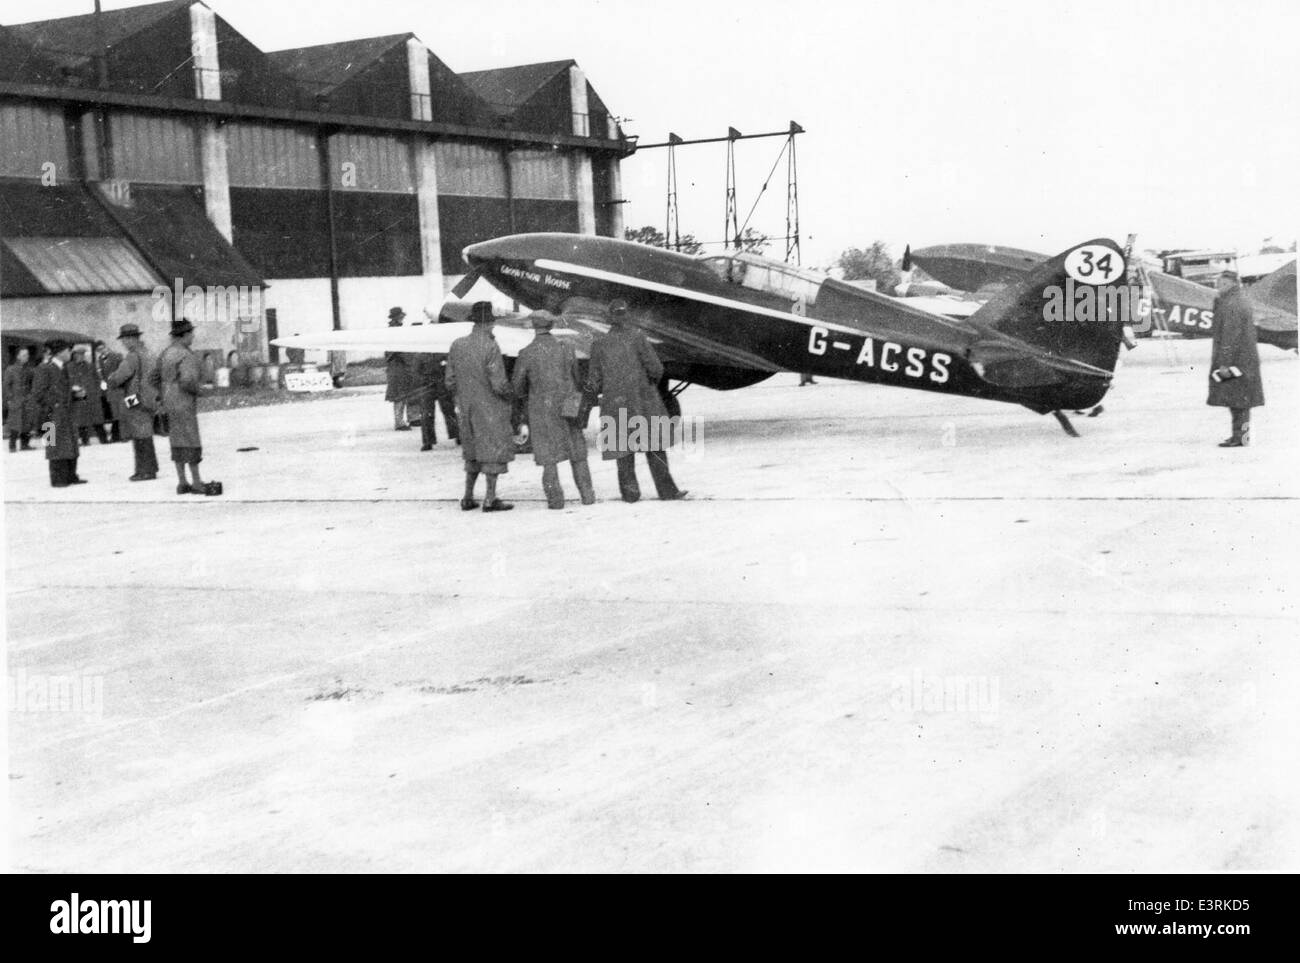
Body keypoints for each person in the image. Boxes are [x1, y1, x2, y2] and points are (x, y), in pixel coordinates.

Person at [587, 299, 687, 502]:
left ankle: (630, 494)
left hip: (615, 404)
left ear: (609, 318)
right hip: (643, 401)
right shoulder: (638, 338)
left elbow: (593, 380)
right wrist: (647, 385)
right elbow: (656, 369)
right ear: (627, 315)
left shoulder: (598, 345)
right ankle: (667, 491)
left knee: (623, 449)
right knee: (655, 446)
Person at [510, 310, 596, 509]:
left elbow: (517, 387)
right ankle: (588, 496)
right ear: (551, 326)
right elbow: (576, 378)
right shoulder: (567, 347)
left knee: (549, 459)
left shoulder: (526, 353)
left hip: (542, 410)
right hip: (570, 404)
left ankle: (556, 501)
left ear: (534, 326)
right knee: (578, 454)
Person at [445, 301, 515, 512]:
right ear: (489, 323)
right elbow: (499, 383)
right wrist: (512, 395)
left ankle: (467, 497)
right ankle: (490, 499)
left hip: (466, 408)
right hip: (490, 408)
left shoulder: (457, 344)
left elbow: (449, 381)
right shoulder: (490, 345)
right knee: (492, 452)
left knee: (472, 452)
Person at [150, 317, 220, 495]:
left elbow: (152, 378)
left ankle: (182, 483)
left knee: (177, 443)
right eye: (191, 333)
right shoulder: (186, 355)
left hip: (169, 404)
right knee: (191, 442)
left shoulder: (166, 353)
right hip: (184, 403)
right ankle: (196, 482)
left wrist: (164, 392)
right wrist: (200, 391)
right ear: (185, 335)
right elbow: (187, 381)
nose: (193, 337)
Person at [1207, 269, 1264, 447]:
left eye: (1222, 284)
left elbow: (1229, 337)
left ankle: (1240, 437)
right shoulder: (1237, 300)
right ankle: (1240, 435)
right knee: (1239, 399)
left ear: (1232, 284)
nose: (1218, 287)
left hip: (1236, 361)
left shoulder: (1231, 304)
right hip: (1244, 359)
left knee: (1239, 400)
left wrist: (1224, 363)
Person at [106, 323, 160, 481]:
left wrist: (111, 379)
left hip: (135, 399)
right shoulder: (149, 353)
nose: (123, 343)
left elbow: (119, 377)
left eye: (124, 339)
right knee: (146, 433)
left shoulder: (132, 356)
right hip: (149, 399)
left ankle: (145, 471)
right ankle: (149, 469)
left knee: (140, 435)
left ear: (131, 339)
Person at [28, 339, 84, 487]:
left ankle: (71, 476)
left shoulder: (64, 367)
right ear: (59, 352)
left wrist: (74, 394)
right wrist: (55, 402)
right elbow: (37, 393)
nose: (70, 353)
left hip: (66, 413)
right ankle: (58, 479)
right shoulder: (44, 368)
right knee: (54, 446)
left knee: (70, 443)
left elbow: (62, 390)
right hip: (50, 414)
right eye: (67, 350)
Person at [412, 349, 457, 451]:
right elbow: (415, 373)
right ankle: (428, 441)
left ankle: (457, 435)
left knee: (449, 410)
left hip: (442, 385)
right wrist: (423, 383)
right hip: (427, 387)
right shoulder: (420, 355)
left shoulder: (443, 353)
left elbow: (450, 369)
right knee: (426, 414)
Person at [68, 345, 108, 445]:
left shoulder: (90, 366)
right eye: (79, 354)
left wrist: (96, 393)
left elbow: (97, 380)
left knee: (97, 420)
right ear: (74, 355)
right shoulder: (69, 367)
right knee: (82, 422)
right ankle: (85, 441)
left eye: (83, 354)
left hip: (91, 397)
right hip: (78, 398)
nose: (81, 356)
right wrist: (74, 391)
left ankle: (104, 440)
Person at [384, 307, 413, 430]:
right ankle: (399, 422)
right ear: (396, 317)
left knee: (401, 395)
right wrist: (410, 361)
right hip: (398, 366)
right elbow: (399, 350)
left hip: (397, 366)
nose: (403, 318)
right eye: (401, 316)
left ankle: (400, 420)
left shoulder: (393, 329)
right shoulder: (395, 331)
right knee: (400, 395)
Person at [4, 346, 35, 451]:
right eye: (24, 355)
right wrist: (10, 398)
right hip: (16, 400)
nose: (27, 357)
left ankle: (25, 444)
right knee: (15, 424)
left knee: (27, 423)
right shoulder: (11, 369)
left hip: (27, 400)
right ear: (18, 356)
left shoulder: (29, 370)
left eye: (27, 355)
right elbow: (6, 386)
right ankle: (12, 446)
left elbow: (32, 383)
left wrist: (30, 395)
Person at [94, 340, 125, 443]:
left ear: (106, 346)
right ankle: (117, 436)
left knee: (121, 413)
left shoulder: (116, 356)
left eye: (102, 348)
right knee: (115, 414)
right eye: (99, 350)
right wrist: (102, 381)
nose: (101, 351)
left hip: (119, 388)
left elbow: (122, 370)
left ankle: (119, 436)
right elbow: (102, 373)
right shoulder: (100, 359)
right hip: (110, 390)